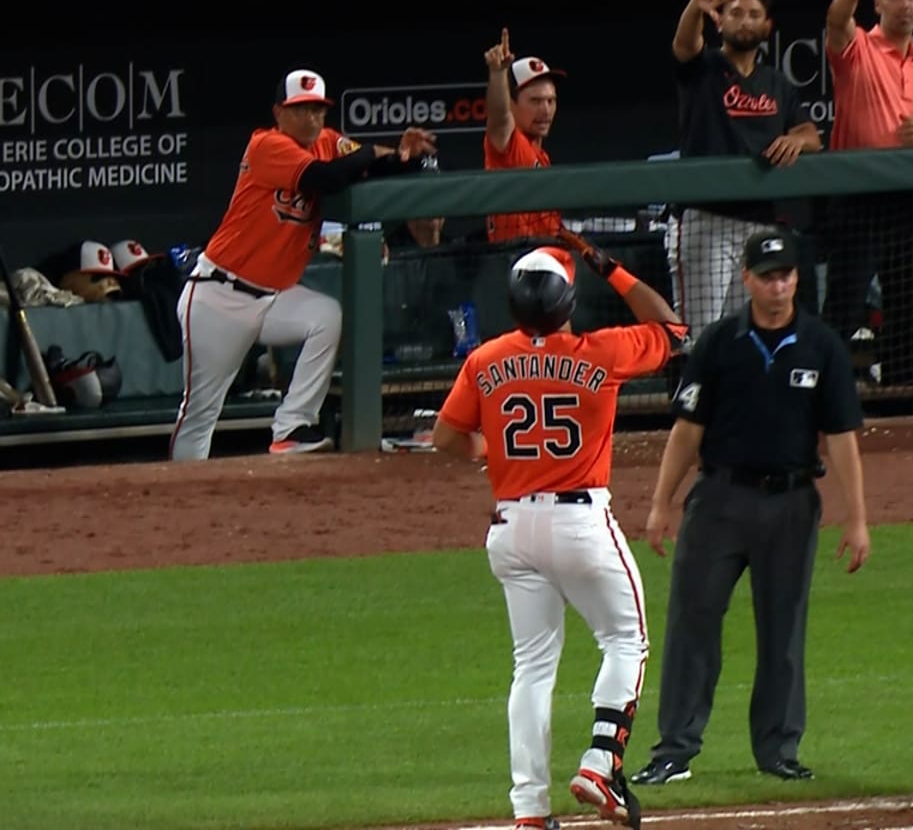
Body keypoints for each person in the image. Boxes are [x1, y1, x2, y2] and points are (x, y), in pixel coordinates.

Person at [431, 240, 692, 830]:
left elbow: (445, 437)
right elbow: (674, 327)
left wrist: (490, 447)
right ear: (568, 298)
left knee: (532, 667)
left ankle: (529, 810)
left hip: (512, 528)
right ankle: (601, 763)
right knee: (626, 639)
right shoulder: (602, 352)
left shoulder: (486, 360)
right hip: (580, 523)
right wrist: (611, 266)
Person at [628, 229, 871, 786]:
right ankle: (674, 749)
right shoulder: (718, 343)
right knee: (693, 623)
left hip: (791, 503)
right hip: (718, 500)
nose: (778, 285)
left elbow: (840, 439)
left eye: (786, 275)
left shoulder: (822, 345)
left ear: (797, 279)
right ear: (747, 280)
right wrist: (661, 503)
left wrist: (856, 517)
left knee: (783, 631)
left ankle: (778, 750)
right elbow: (688, 429)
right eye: (767, 276)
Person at [168, 69, 434, 461]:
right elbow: (327, 177)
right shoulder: (266, 145)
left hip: (274, 299)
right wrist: (370, 155)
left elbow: (378, 165)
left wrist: (406, 154)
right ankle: (178, 501)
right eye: (300, 109)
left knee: (325, 316)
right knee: (200, 414)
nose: (311, 119)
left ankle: (291, 427)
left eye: (317, 110)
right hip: (219, 296)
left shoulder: (326, 141)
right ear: (279, 112)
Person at [667, 0, 824, 334]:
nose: (745, 21)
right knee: (701, 332)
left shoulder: (777, 83)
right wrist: (695, 6)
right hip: (707, 218)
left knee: (745, 331)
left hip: (758, 222)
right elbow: (684, 43)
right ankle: (696, 392)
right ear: (719, 22)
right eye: (735, 13)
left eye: (754, 15)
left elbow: (811, 134)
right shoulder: (703, 68)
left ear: (767, 27)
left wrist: (797, 140)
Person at [820, 0, 913, 388]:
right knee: (843, 304)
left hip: (911, 202)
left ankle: (900, 400)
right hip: (858, 197)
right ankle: (825, 398)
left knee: (908, 308)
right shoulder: (858, 47)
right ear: (878, 5)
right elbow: (837, 23)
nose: (904, 4)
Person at [484, 28, 565, 245]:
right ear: (512, 104)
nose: (546, 110)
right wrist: (499, 73)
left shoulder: (542, 155)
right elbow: (500, 119)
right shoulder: (509, 146)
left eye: (551, 101)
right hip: (515, 261)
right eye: (535, 101)